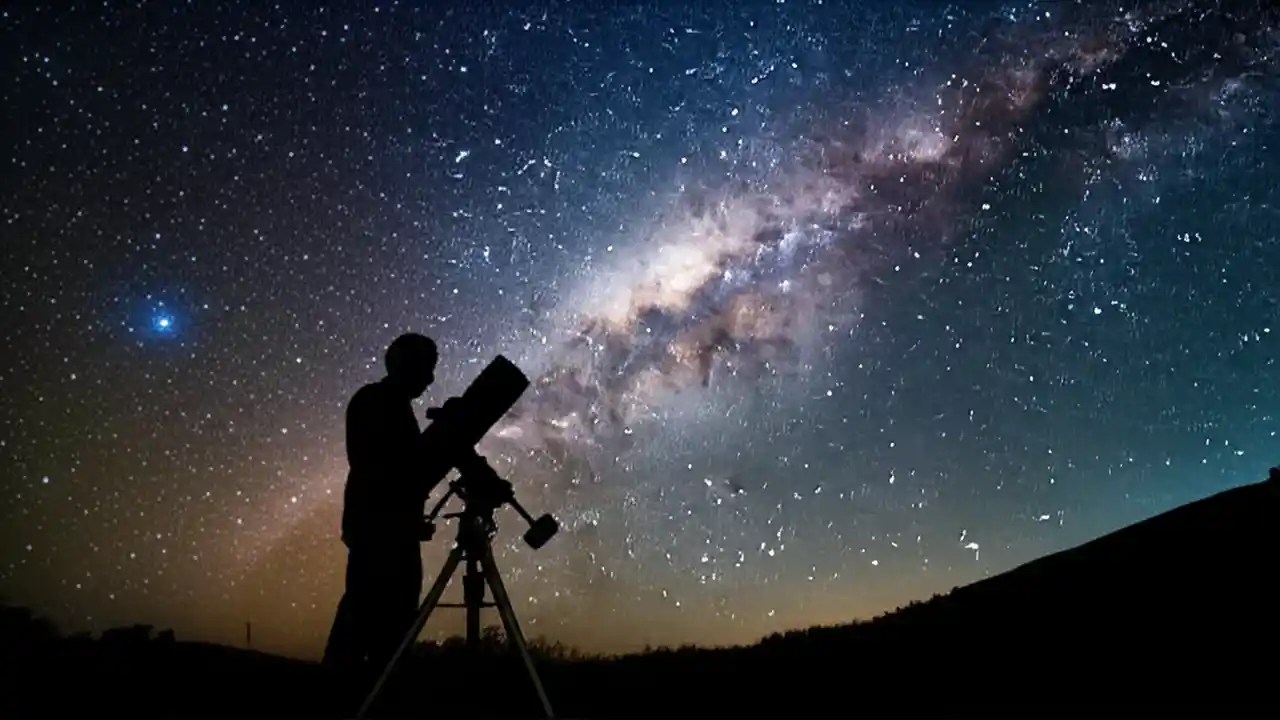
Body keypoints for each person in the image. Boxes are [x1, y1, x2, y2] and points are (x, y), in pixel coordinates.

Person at [322, 332, 453, 686]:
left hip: (387, 530)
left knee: (381, 624)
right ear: (405, 365)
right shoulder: (378, 402)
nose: (430, 378)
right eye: (426, 368)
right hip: (380, 534)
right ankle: (348, 696)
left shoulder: (387, 404)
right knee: (366, 620)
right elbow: (388, 469)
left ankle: (367, 691)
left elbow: (402, 470)